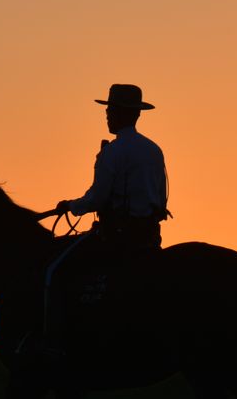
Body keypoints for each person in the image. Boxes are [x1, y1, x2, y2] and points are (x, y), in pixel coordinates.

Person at [46, 84, 169, 352]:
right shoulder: (154, 150)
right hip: (149, 236)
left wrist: (71, 206)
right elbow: (161, 196)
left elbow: (98, 198)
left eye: (110, 110)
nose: (107, 115)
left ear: (121, 113)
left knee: (57, 270)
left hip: (116, 237)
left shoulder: (113, 152)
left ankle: (62, 337)